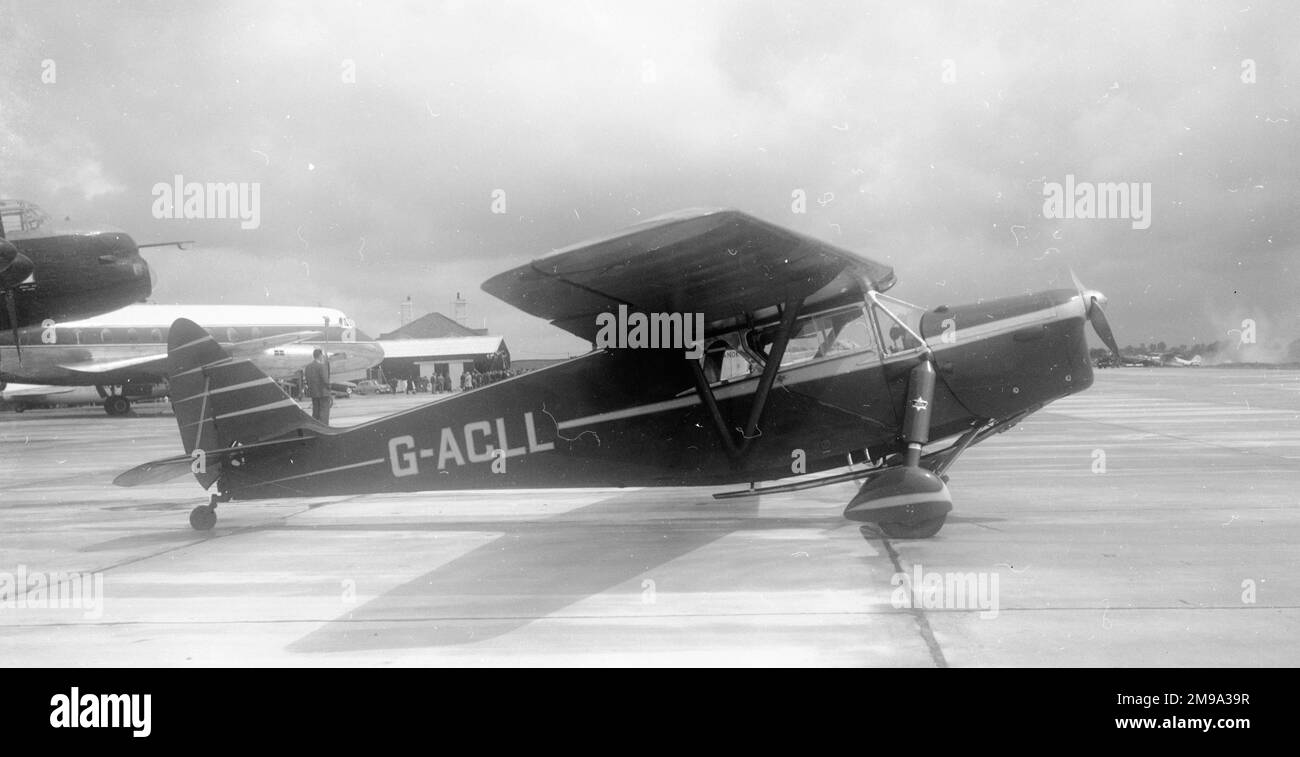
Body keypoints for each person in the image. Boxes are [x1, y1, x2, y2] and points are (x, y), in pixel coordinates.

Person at [304, 348, 332, 424]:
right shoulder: (321, 366)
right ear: (320, 356)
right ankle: (325, 429)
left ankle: (316, 427)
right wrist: (330, 388)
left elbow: (307, 379)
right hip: (323, 393)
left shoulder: (308, 367)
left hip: (314, 393)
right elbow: (325, 380)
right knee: (324, 413)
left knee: (315, 412)